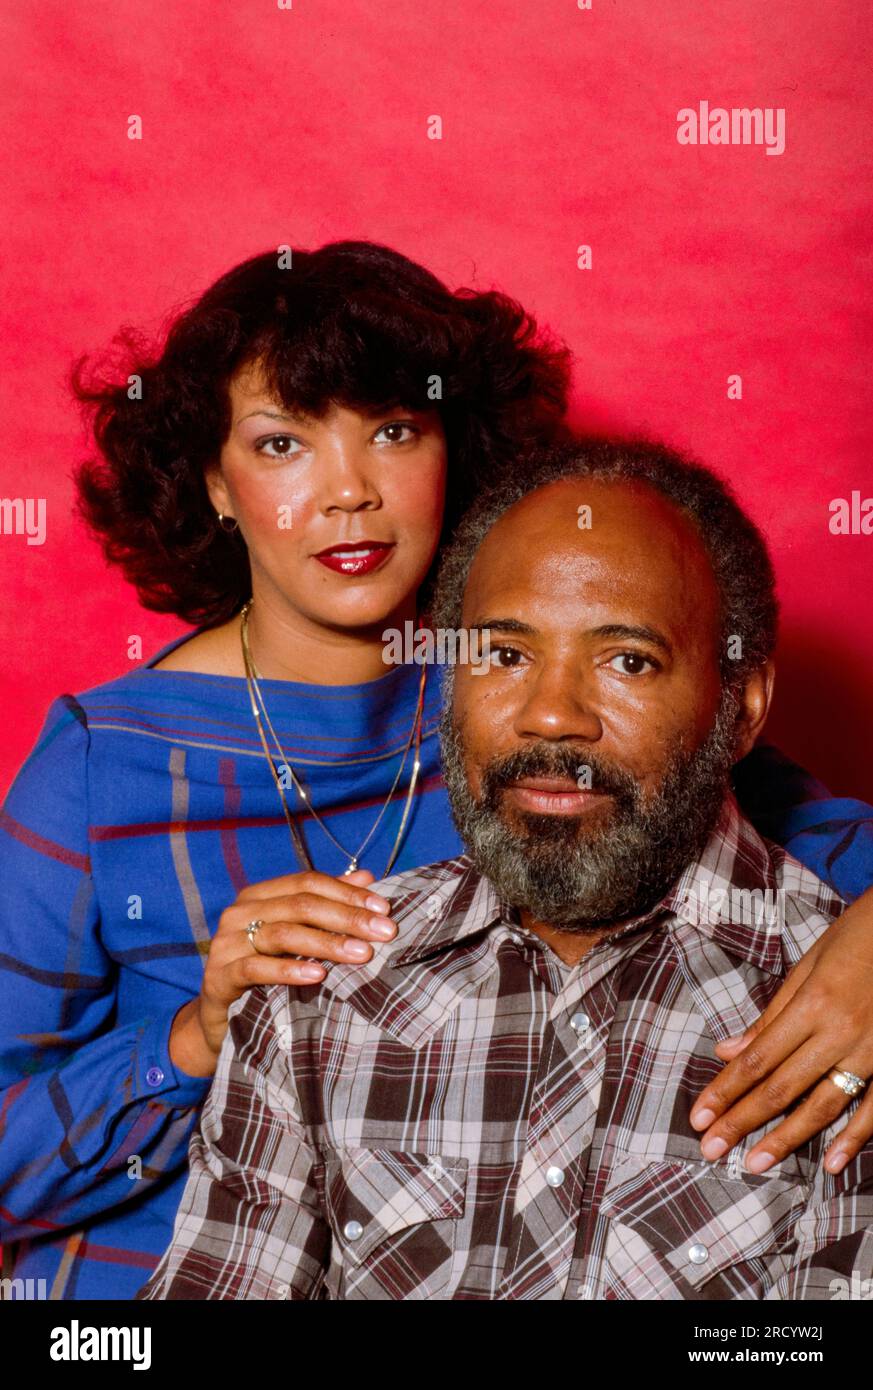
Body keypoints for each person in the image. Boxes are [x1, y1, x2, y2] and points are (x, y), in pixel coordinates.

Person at [0, 244, 871, 1301]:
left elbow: (763, 838)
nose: (350, 493)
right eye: (283, 444)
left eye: (394, 432)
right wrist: (190, 1039)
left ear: (456, 452)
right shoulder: (103, 766)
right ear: (216, 486)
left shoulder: (543, 722)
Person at [140, 439, 873, 1300]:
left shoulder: (842, 1019)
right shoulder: (319, 991)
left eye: (626, 660)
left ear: (740, 706)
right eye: (503, 655)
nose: (551, 716)